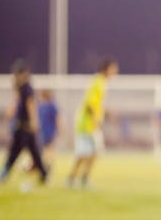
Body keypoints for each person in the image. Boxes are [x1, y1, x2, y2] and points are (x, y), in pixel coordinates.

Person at [67, 57, 119, 189]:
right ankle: (74, 178)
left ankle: (79, 178)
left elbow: (96, 104)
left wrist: (106, 113)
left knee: (92, 152)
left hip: (89, 123)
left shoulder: (100, 82)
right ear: (106, 69)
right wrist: (96, 119)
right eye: (113, 69)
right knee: (85, 153)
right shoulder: (98, 82)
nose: (115, 72)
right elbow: (90, 103)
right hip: (86, 124)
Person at [0, 61, 48, 184]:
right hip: (22, 126)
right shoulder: (21, 88)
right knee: (33, 153)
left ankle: (3, 174)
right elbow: (17, 103)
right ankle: (44, 175)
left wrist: (34, 121)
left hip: (25, 127)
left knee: (17, 152)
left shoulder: (26, 88)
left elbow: (31, 104)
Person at [37, 90, 60, 169]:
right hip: (46, 131)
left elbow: (57, 118)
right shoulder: (42, 106)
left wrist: (59, 128)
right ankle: (47, 164)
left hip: (46, 131)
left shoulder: (50, 106)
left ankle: (47, 164)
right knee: (48, 149)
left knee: (47, 149)